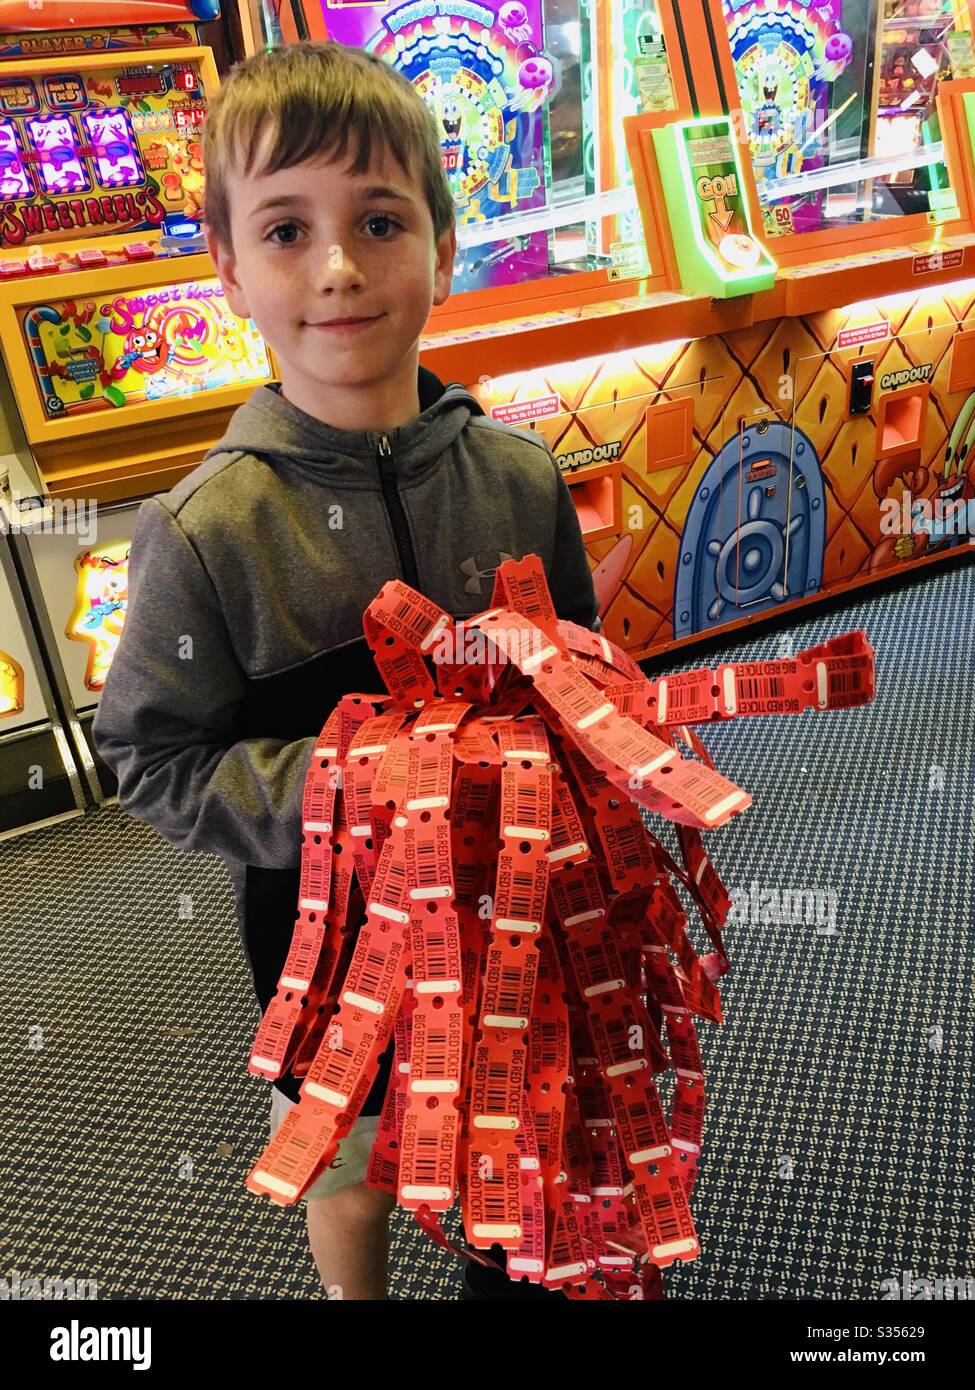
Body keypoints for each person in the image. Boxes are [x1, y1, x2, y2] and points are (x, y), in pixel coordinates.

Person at [92, 39, 598, 1301]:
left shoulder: (521, 478)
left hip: (511, 909)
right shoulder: (209, 531)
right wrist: (348, 785)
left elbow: (585, 679)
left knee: (516, 1114)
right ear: (226, 269)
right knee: (355, 1156)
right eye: (283, 230)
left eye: (379, 221)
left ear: (443, 235)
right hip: (329, 936)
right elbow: (150, 758)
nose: (336, 270)